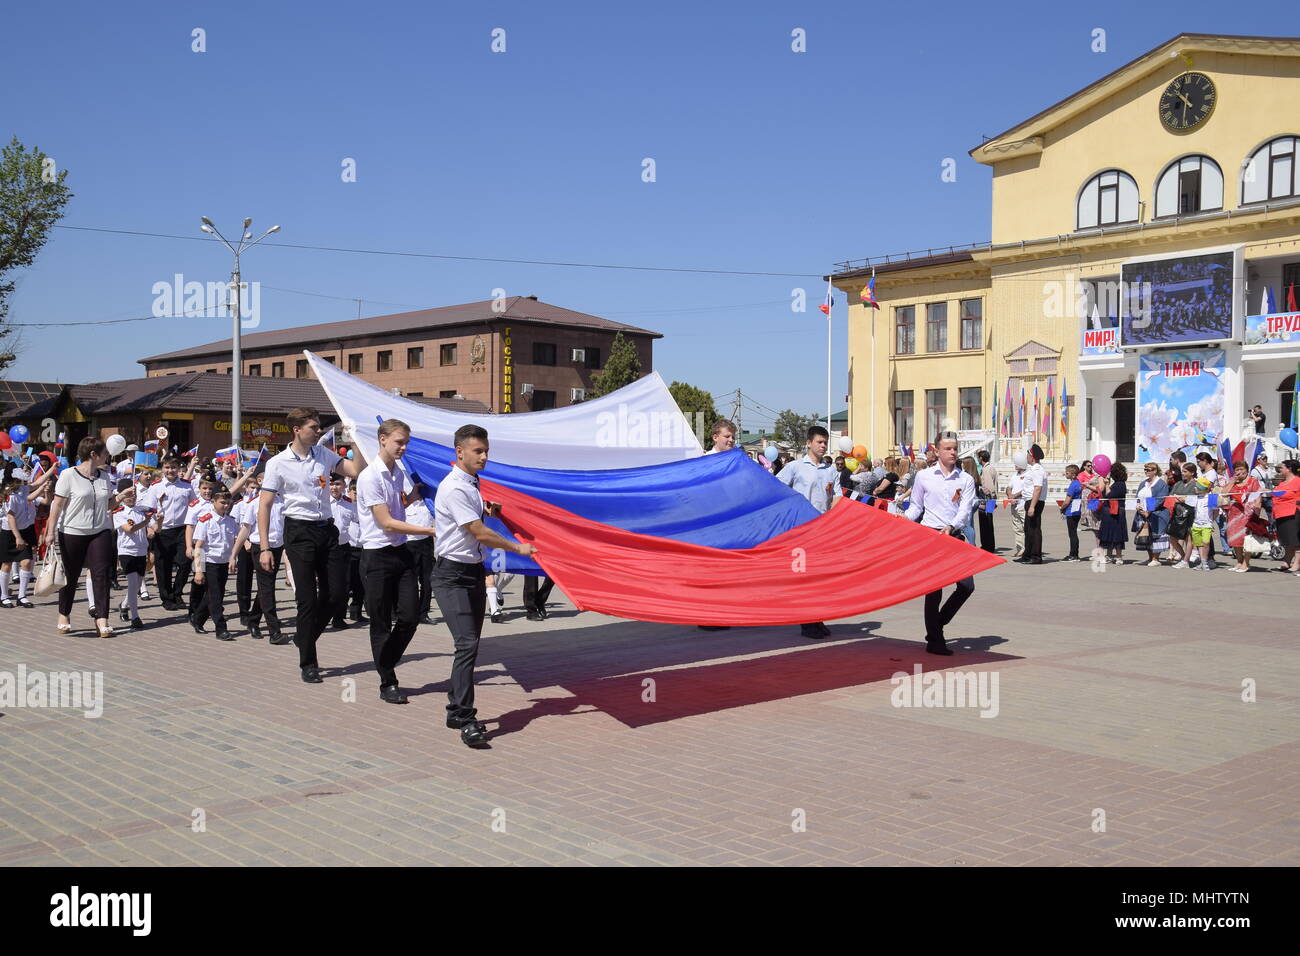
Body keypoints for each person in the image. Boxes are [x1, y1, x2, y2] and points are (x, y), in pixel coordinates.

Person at [432, 424, 537, 747]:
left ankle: (454, 708)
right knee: (466, 645)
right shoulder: (455, 488)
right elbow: (478, 532)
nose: (484, 457)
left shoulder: (472, 484)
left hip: (472, 573)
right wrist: (517, 548)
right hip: (451, 575)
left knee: (471, 643)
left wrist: (489, 509)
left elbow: (475, 519)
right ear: (459, 452)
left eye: (486, 451)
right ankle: (466, 717)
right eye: (478, 451)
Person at [259, 408, 364, 684]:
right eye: (313, 427)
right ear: (297, 430)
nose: (318, 431)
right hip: (299, 531)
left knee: (337, 594)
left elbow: (354, 469)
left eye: (318, 427)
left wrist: (354, 441)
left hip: (326, 530)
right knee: (306, 598)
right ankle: (309, 661)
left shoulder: (324, 455)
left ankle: (303, 637)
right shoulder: (278, 463)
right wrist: (265, 547)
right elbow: (265, 505)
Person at [355, 419, 437, 704]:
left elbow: (397, 507)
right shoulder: (369, 477)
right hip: (377, 556)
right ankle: (387, 682)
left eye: (406, 443)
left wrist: (415, 496)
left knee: (410, 616)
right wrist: (430, 530)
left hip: (401, 554)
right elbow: (387, 523)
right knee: (380, 623)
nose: (403, 448)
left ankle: (385, 661)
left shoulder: (397, 473)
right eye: (399, 442)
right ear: (382, 439)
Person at [43, 437, 131, 637]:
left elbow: (107, 505)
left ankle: (102, 619)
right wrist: (50, 531)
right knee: (71, 576)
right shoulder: (68, 475)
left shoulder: (104, 477)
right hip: (72, 532)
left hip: (100, 532)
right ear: (93, 454)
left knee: (102, 575)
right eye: (105, 453)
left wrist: (120, 497)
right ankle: (64, 614)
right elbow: (56, 506)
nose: (108, 456)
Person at [904, 432, 976, 656]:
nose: (953, 452)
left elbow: (965, 510)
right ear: (937, 451)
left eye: (955, 448)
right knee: (933, 591)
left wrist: (952, 526)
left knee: (966, 586)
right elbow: (916, 506)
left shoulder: (965, 479)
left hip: (953, 535)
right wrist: (903, 518)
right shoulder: (924, 476)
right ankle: (935, 640)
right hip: (930, 536)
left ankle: (937, 624)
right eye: (947, 448)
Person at [775, 425, 837, 639]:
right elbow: (777, 488)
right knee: (803, 577)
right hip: (801, 530)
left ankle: (817, 618)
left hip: (821, 529)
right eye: (819, 442)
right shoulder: (795, 467)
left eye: (825, 442)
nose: (823, 446)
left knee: (819, 577)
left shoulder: (830, 470)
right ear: (809, 443)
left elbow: (835, 497)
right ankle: (806, 622)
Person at [231, 481, 287, 643]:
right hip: (260, 548)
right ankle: (274, 631)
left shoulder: (282, 502)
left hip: (277, 548)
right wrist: (233, 554)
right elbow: (245, 530)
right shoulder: (254, 503)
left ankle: (253, 620)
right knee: (268, 588)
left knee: (265, 587)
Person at [139, 456, 194, 611]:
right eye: (167, 467)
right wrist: (152, 526)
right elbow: (149, 510)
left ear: (178, 469)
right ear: (163, 469)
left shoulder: (186, 486)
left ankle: (177, 592)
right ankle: (166, 597)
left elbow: (194, 506)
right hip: (163, 530)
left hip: (182, 530)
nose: (170, 471)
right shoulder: (155, 487)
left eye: (173, 468)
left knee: (185, 562)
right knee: (164, 565)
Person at [190, 489, 240, 641]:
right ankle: (221, 628)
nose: (225, 506)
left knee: (214, 595)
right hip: (209, 562)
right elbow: (198, 547)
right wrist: (198, 571)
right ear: (213, 502)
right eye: (222, 503)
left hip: (223, 562)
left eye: (228, 503)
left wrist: (233, 558)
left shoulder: (231, 521)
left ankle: (197, 618)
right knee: (216, 597)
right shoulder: (205, 520)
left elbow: (234, 541)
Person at [112, 483, 161, 629]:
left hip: (141, 551)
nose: (131, 497)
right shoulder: (119, 512)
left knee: (137, 584)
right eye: (128, 495)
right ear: (121, 495)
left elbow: (157, 529)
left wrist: (159, 518)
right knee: (133, 583)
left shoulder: (141, 511)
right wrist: (146, 521)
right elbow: (130, 529)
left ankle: (124, 605)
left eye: (133, 494)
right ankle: (135, 617)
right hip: (127, 551)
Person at [327, 474, 361, 629]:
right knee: (328, 584)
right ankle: (325, 614)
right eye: (331, 484)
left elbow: (359, 520)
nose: (334, 487)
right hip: (326, 548)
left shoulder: (349, 504)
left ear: (344, 486)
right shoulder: (323, 502)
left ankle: (339, 618)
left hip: (343, 546)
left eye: (338, 484)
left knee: (344, 584)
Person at [1222, 459, 1263, 572]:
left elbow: (1258, 498)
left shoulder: (1253, 481)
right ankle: (1239, 562)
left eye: (1242, 469)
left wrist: (1256, 515)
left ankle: (1246, 563)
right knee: (1235, 540)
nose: (1239, 472)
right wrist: (1232, 482)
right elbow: (1224, 493)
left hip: (1248, 513)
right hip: (1234, 514)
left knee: (1246, 540)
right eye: (1237, 470)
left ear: (1246, 470)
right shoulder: (1233, 481)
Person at [1133, 463, 1170, 566]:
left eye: (1148, 470)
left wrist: (1148, 511)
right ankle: (1150, 558)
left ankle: (1156, 558)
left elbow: (1160, 499)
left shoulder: (1161, 484)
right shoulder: (1143, 483)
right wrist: (1138, 505)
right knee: (1146, 535)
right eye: (1145, 469)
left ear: (1155, 471)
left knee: (1156, 535)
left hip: (1156, 514)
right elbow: (1138, 496)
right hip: (1142, 512)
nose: (1146, 471)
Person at [1019, 444, 1047, 564]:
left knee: (1034, 530)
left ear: (1032, 457)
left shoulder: (1037, 470)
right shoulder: (1033, 469)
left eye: (1028, 455)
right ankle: (1027, 554)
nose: (1026, 457)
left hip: (1034, 501)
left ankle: (1036, 556)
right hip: (1030, 500)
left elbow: (1037, 488)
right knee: (1028, 529)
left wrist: (1032, 506)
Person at [1271, 459, 1300, 574]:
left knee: (1295, 540)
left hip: (1293, 513)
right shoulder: (1282, 483)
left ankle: (1296, 563)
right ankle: (1287, 561)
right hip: (1281, 514)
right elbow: (1275, 494)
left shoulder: (1298, 481)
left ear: (1289, 469)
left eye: (1282, 467)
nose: (1279, 469)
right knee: (1287, 540)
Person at [1169, 462, 1200, 567]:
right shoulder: (1178, 484)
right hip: (1177, 514)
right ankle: (1183, 556)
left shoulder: (1196, 484)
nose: (1182, 473)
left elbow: (1198, 498)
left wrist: (1185, 499)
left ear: (1192, 473)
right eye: (1182, 471)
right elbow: (1171, 496)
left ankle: (1186, 560)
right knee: (1172, 538)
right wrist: (1176, 498)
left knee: (1188, 538)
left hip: (1190, 514)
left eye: (1185, 471)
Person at [1098, 462, 1129, 564]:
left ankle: (1119, 556)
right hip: (1109, 511)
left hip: (1116, 512)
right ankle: (1109, 554)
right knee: (1108, 533)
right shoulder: (1115, 484)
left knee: (1117, 534)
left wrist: (1107, 484)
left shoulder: (1120, 484)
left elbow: (1110, 495)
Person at [1059, 464, 1082, 562]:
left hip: (1071, 512)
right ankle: (1075, 554)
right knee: (1074, 533)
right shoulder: (1078, 483)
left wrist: (1062, 508)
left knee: (1072, 534)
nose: (1065, 474)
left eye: (1067, 473)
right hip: (1077, 511)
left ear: (1073, 475)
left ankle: (1073, 555)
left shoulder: (1073, 485)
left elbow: (1067, 500)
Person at [976, 449, 998, 553]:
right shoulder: (991, 468)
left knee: (986, 523)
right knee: (988, 522)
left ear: (981, 458)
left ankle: (987, 545)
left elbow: (989, 486)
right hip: (991, 499)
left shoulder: (986, 470)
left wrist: (990, 499)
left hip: (987, 499)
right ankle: (989, 544)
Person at [1007, 461, 1027, 558]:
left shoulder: (1028, 474)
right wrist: (1010, 495)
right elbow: (1009, 487)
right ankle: (1020, 549)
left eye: (1017, 463)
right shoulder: (1014, 475)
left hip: (1023, 504)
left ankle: (1028, 549)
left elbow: (1026, 489)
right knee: (1017, 528)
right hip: (1014, 505)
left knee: (1026, 527)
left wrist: (1015, 495)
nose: (1015, 465)